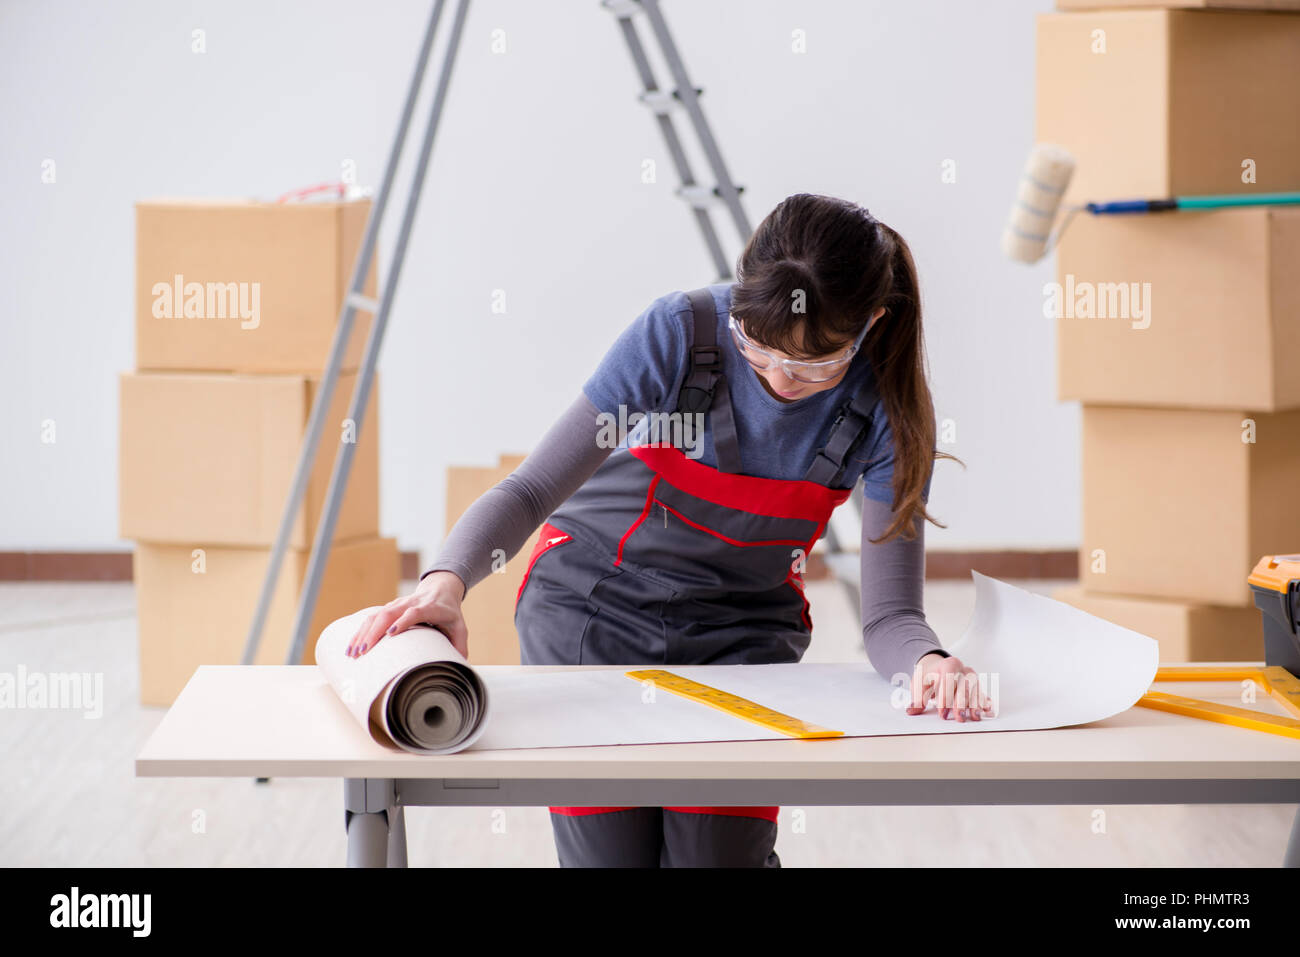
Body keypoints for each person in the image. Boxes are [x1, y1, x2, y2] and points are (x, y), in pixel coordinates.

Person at [347, 192, 992, 867]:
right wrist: (446, 582)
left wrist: (927, 662)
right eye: (758, 348)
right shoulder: (682, 333)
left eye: (811, 366)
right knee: (612, 857)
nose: (778, 378)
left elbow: (890, 616)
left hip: (742, 632)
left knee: (718, 857)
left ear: (871, 325)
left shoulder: (885, 410)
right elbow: (533, 488)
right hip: (592, 609)